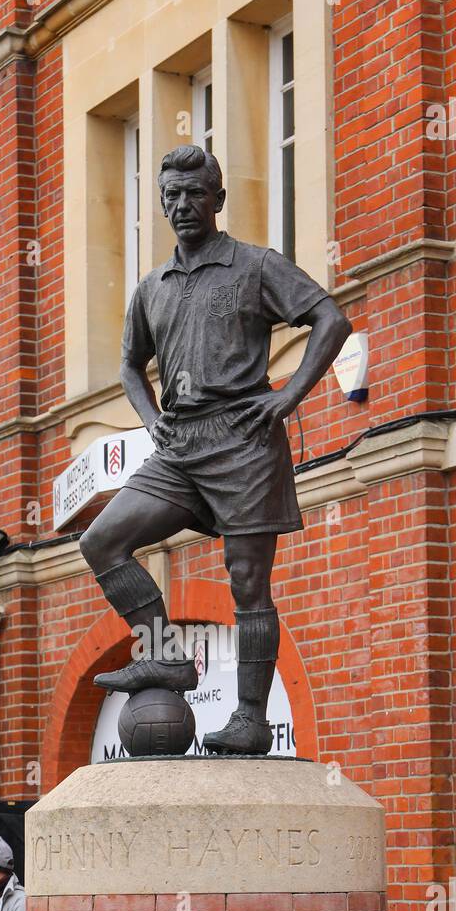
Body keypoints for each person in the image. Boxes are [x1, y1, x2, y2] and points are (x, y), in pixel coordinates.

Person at [79, 143, 351, 754]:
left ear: (218, 201)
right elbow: (129, 365)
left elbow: (331, 319)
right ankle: (169, 660)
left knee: (248, 582)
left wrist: (288, 396)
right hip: (179, 444)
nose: (180, 205)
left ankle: (251, 717)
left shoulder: (254, 265)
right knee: (101, 539)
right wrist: (151, 420)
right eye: (170, 196)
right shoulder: (152, 287)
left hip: (245, 440)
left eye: (193, 194)